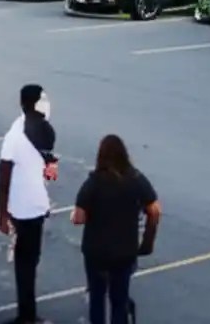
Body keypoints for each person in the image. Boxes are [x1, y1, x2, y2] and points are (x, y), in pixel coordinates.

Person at [72, 135, 161, 324]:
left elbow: (79, 218)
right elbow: (154, 210)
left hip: (96, 252)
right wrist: (148, 240)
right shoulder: (136, 179)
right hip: (124, 252)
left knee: (97, 297)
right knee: (119, 299)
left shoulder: (94, 182)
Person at [0, 84, 57, 324]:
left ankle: (27, 314)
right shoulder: (31, 132)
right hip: (32, 207)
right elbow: (6, 175)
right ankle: (28, 314)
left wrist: (2, 213)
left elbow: (6, 174)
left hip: (26, 206)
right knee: (28, 263)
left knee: (25, 264)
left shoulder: (23, 131)